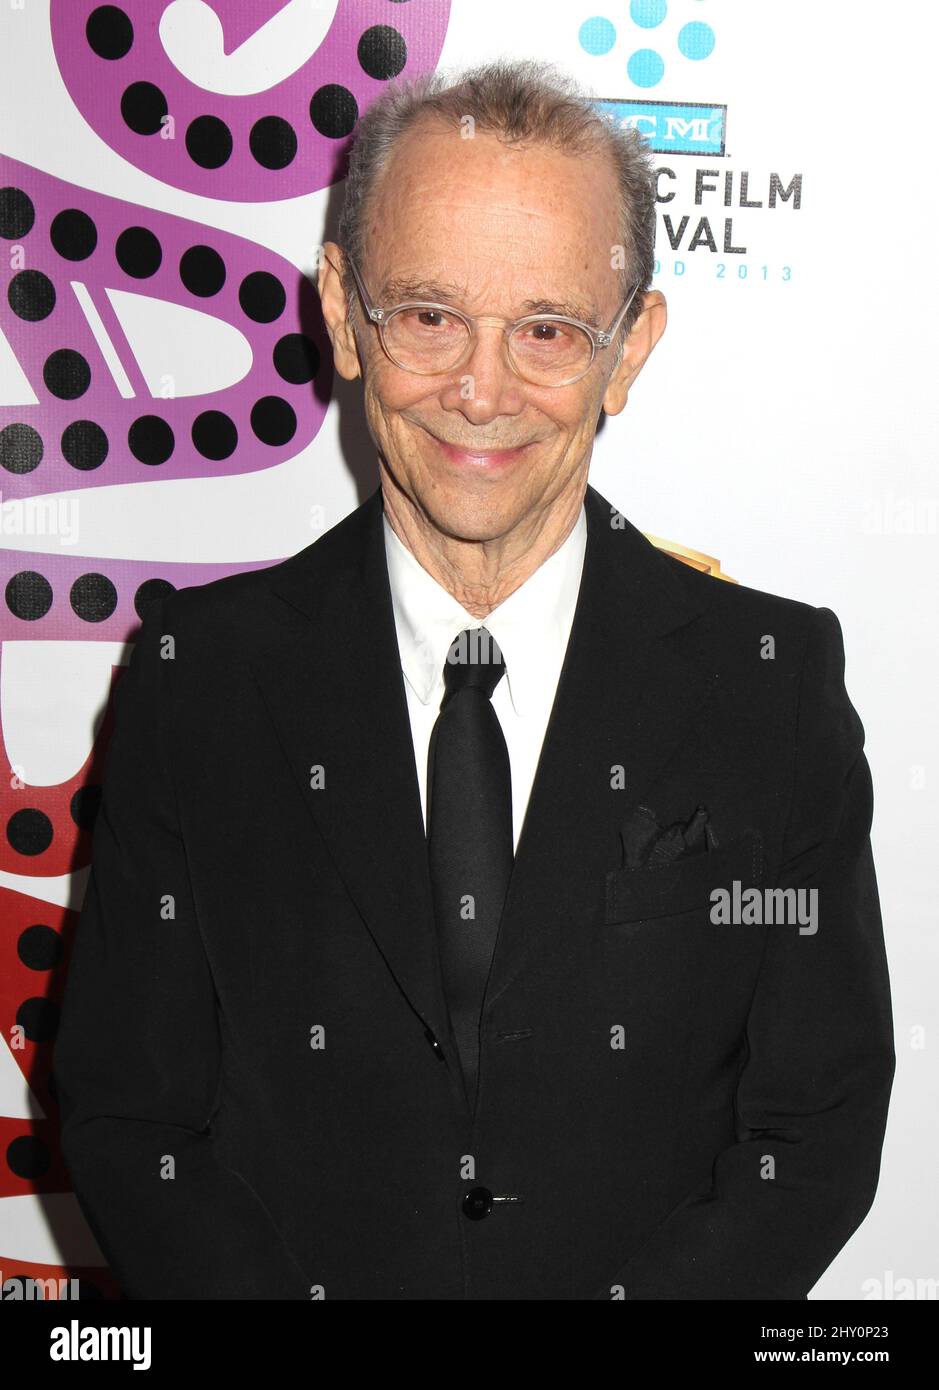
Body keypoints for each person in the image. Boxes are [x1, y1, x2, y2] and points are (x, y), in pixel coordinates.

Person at [53, 59, 895, 1300]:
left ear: (630, 348)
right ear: (344, 314)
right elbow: (131, 1115)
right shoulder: (199, 682)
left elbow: (814, 1129)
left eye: (548, 330)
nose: (482, 390)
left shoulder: (768, 690)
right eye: (429, 316)